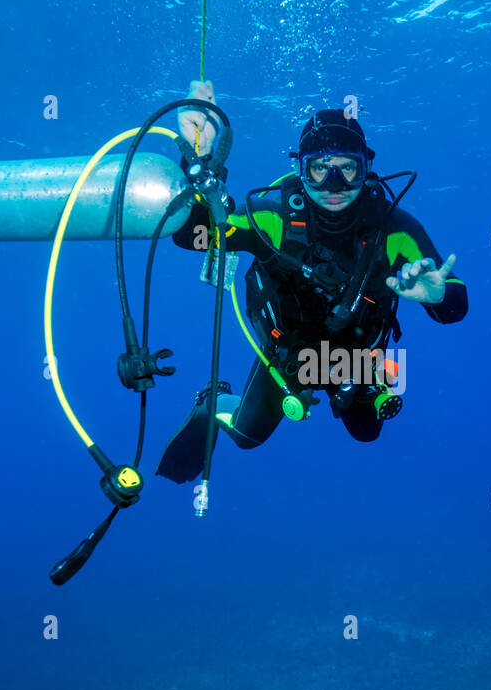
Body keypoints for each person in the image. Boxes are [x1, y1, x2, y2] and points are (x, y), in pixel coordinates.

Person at [156, 81, 467, 479]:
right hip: (286, 356)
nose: (333, 186)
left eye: (347, 169)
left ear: (366, 168)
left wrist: (436, 295)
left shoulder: (394, 230)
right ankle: (212, 402)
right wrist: (197, 157)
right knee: (247, 436)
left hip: (356, 359)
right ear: (301, 170)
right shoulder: (274, 219)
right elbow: (192, 234)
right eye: (319, 169)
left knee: (367, 432)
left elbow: (456, 303)